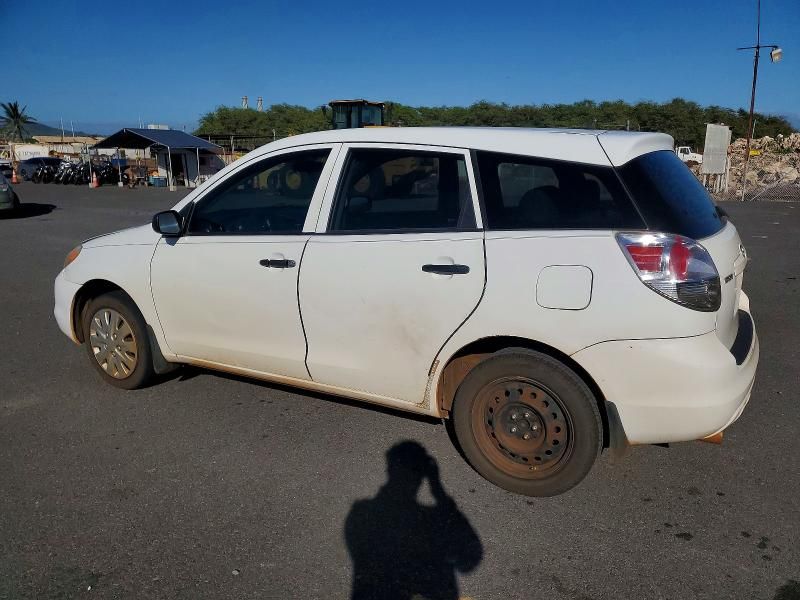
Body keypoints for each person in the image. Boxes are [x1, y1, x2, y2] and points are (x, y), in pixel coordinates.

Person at [345, 441, 482, 600]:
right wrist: (437, 488)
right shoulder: (430, 519)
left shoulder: (360, 513)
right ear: (421, 476)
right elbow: (468, 561)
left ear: (389, 470)